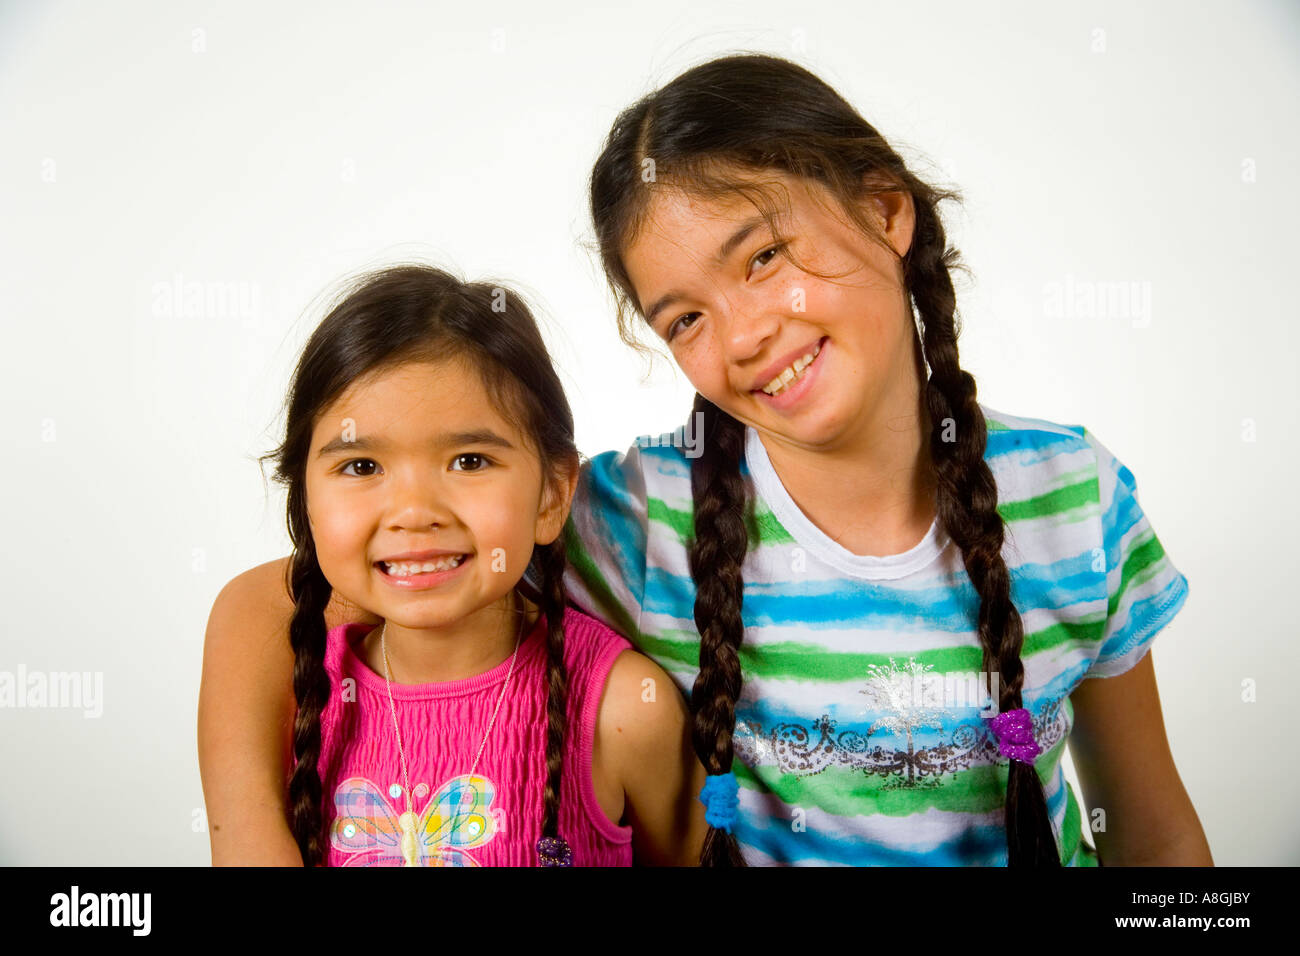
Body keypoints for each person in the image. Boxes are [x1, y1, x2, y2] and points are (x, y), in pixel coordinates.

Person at [201, 53, 1212, 866]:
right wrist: (252, 837)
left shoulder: (1071, 497)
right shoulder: (637, 519)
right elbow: (270, 607)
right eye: (684, 315)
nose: (741, 336)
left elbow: (1152, 828)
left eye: (763, 257)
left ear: (885, 210)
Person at [199, 264, 707, 866]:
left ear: (551, 494)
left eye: (469, 461)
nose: (414, 513)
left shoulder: (623, 712)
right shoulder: (301, 695)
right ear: (304, 497)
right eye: (362, 467)